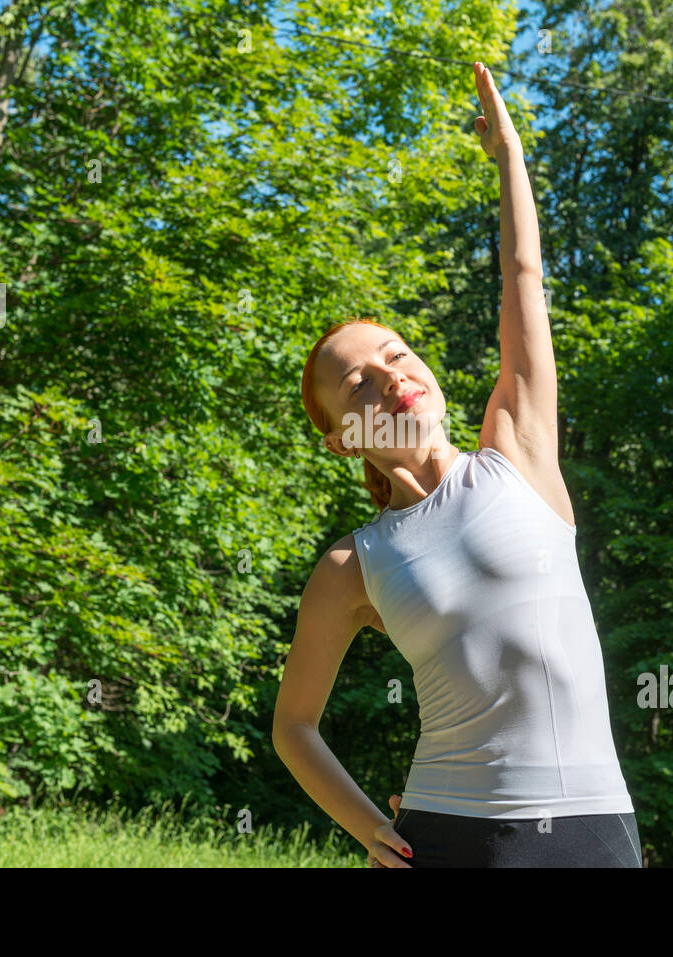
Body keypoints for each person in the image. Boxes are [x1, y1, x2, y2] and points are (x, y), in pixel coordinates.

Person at [272, 62, 641, 868]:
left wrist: (508, 155)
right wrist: (372, 826)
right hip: (449, 835)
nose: (389, 373)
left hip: (596, 829)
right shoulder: (351, 564)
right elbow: (293, 725)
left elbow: (522, 279)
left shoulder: (519, 450)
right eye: (358, 379)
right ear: (343, 437)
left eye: (397, 353)